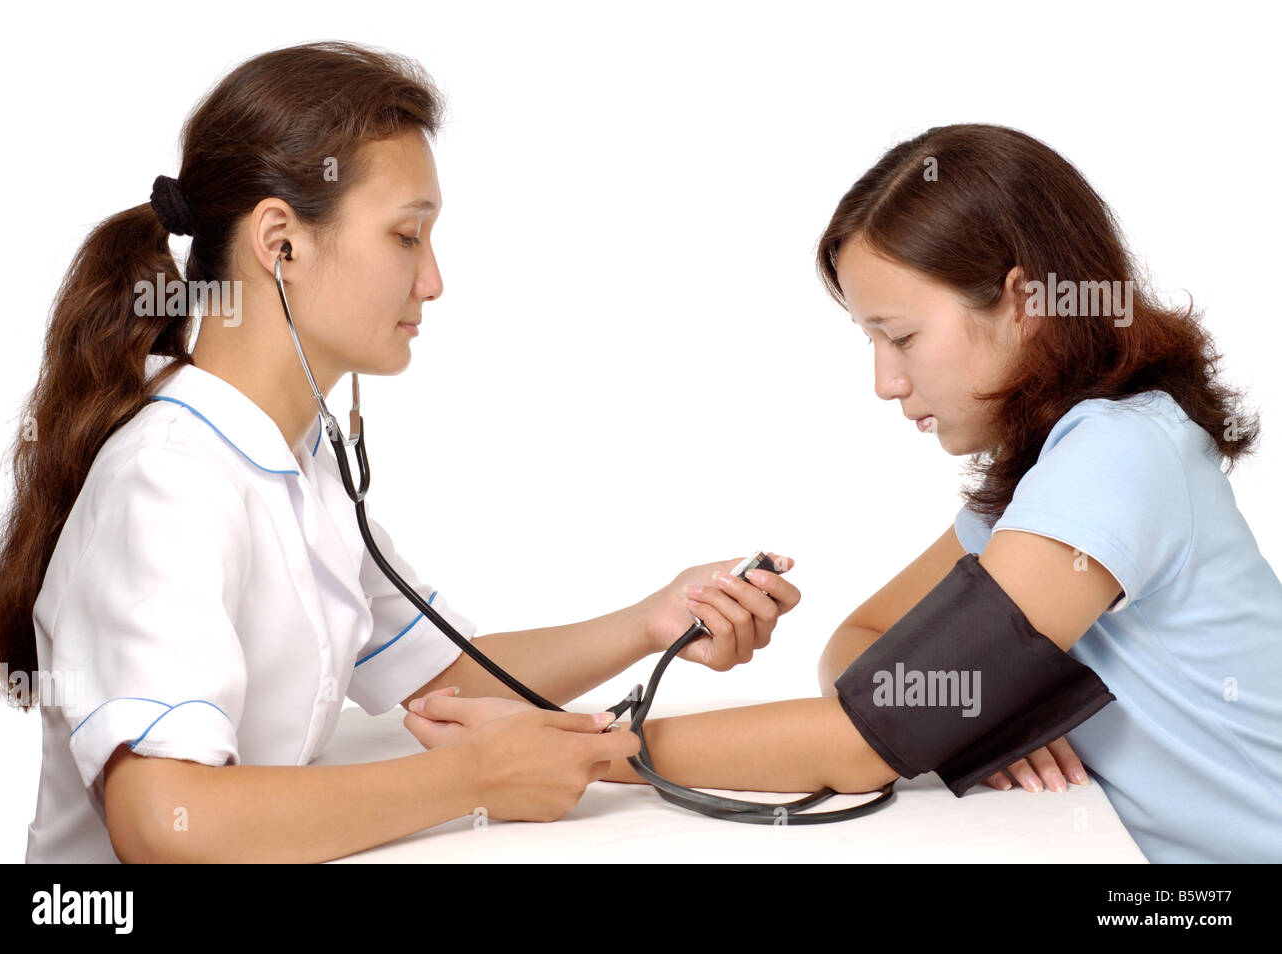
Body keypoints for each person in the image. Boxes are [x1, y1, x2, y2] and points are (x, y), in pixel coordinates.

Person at [0, 41, 802, 864]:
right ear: (281, 245)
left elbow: (441, 675)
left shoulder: (293, 459)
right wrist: (471, 781)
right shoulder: (167, 481)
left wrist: (651, 620)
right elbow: (161, 823)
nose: (434, 280)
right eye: (407, 236)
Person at [407, 124, 1282, 863]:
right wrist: (980, 711)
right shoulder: (1047, 472)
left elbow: (869, 735)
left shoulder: (1118, 455)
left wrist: (591, 752)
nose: (884, 382)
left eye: (899, 335)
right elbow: (862, 644)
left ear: (1025, 303)